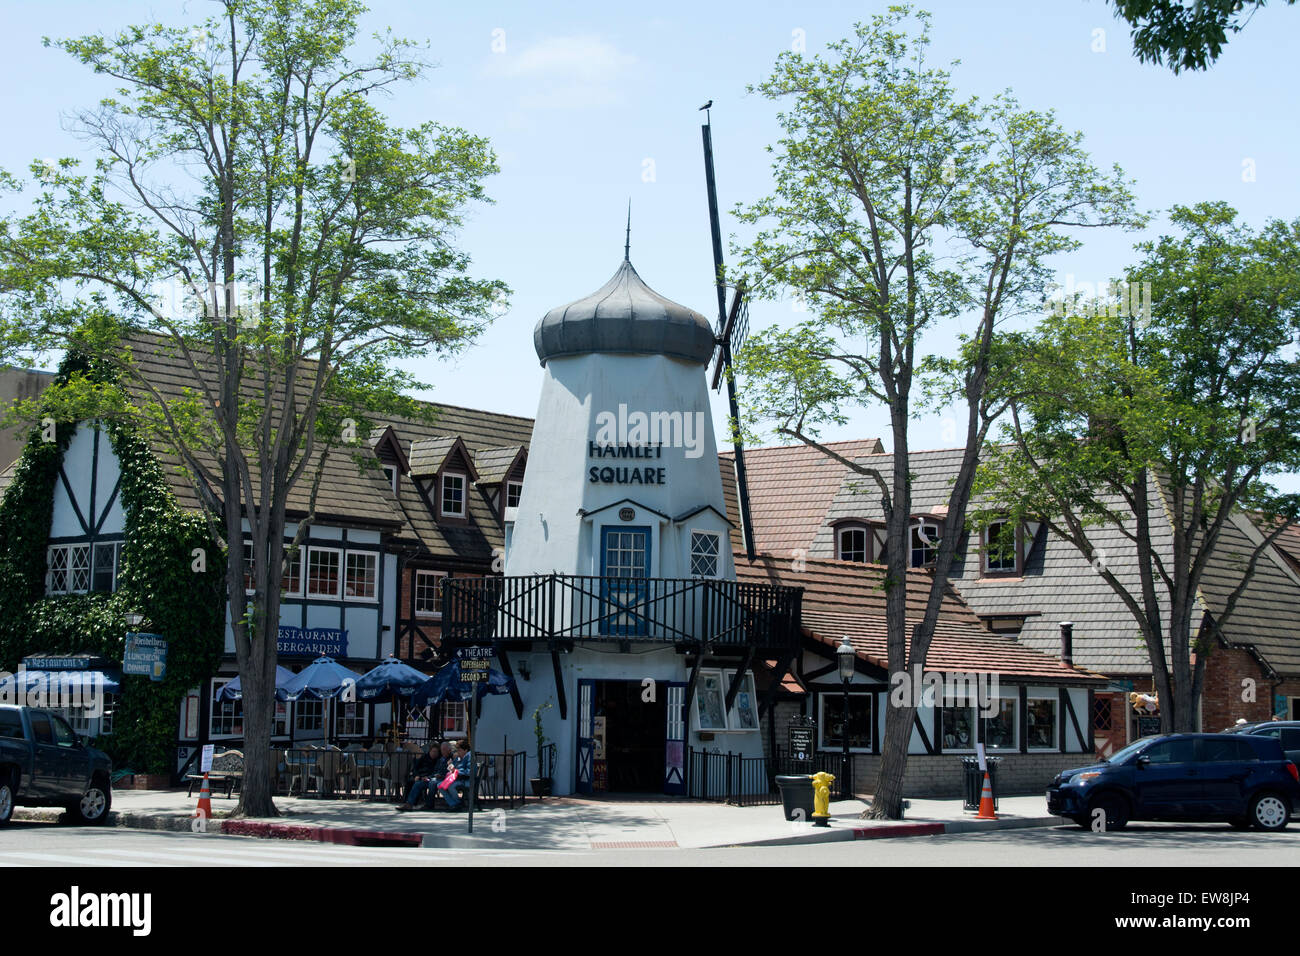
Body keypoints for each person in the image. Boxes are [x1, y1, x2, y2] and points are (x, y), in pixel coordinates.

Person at [398, 741, 452, 812]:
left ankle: (429, 804)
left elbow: (450, 771)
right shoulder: (437, 759)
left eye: (443, 750)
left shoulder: (451, 758)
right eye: (442, 750)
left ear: (449, 750)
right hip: (430, 777)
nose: (442, 751)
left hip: (441, 779)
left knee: (432, 783)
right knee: (418, 783)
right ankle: (409, 804)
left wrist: (437, 776)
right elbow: (418, 768)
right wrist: (423, 777)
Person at [440, 739, 475, 811]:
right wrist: (450, 765)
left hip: (466, 780)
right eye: (457, 750)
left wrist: (456, 771)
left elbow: (469, 772)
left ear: (465, 750)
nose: (458, 753)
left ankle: (457, 804)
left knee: (450, 786)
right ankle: (454, 804)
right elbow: (453, 766)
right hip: (457, 779)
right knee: (440, 785)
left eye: (460, 750)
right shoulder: (459, 757)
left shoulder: (470, 757)